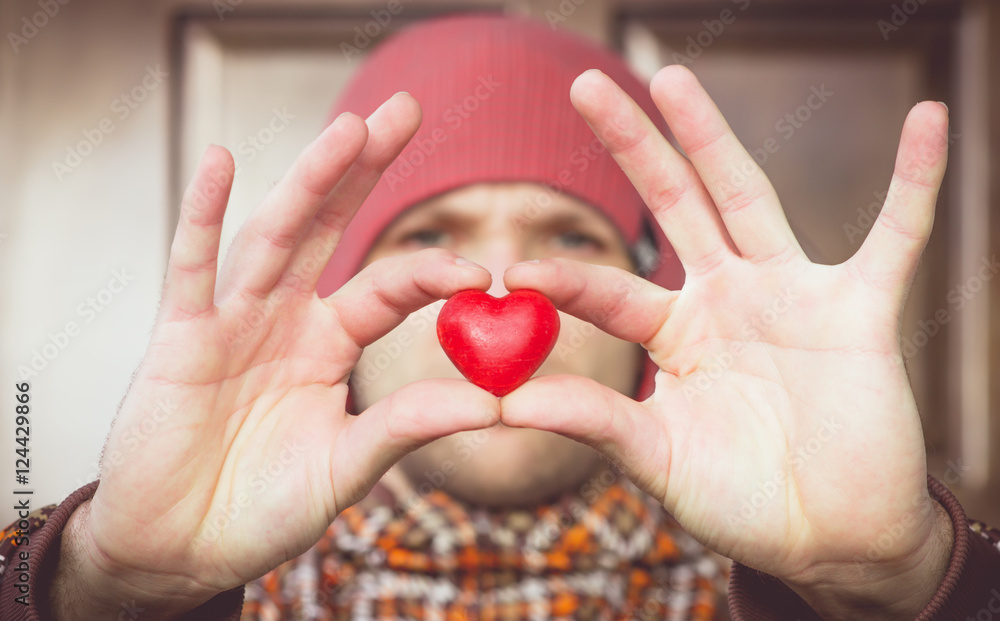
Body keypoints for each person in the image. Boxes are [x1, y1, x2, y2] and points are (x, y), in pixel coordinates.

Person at [2, 13, 999, 620]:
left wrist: (906, 587)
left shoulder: (804, 578)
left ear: (649, 302)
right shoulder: (202, 573)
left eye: (568, 236)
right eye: (428, 232)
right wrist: (98, 589)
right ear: (343, 300)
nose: (497, 286)